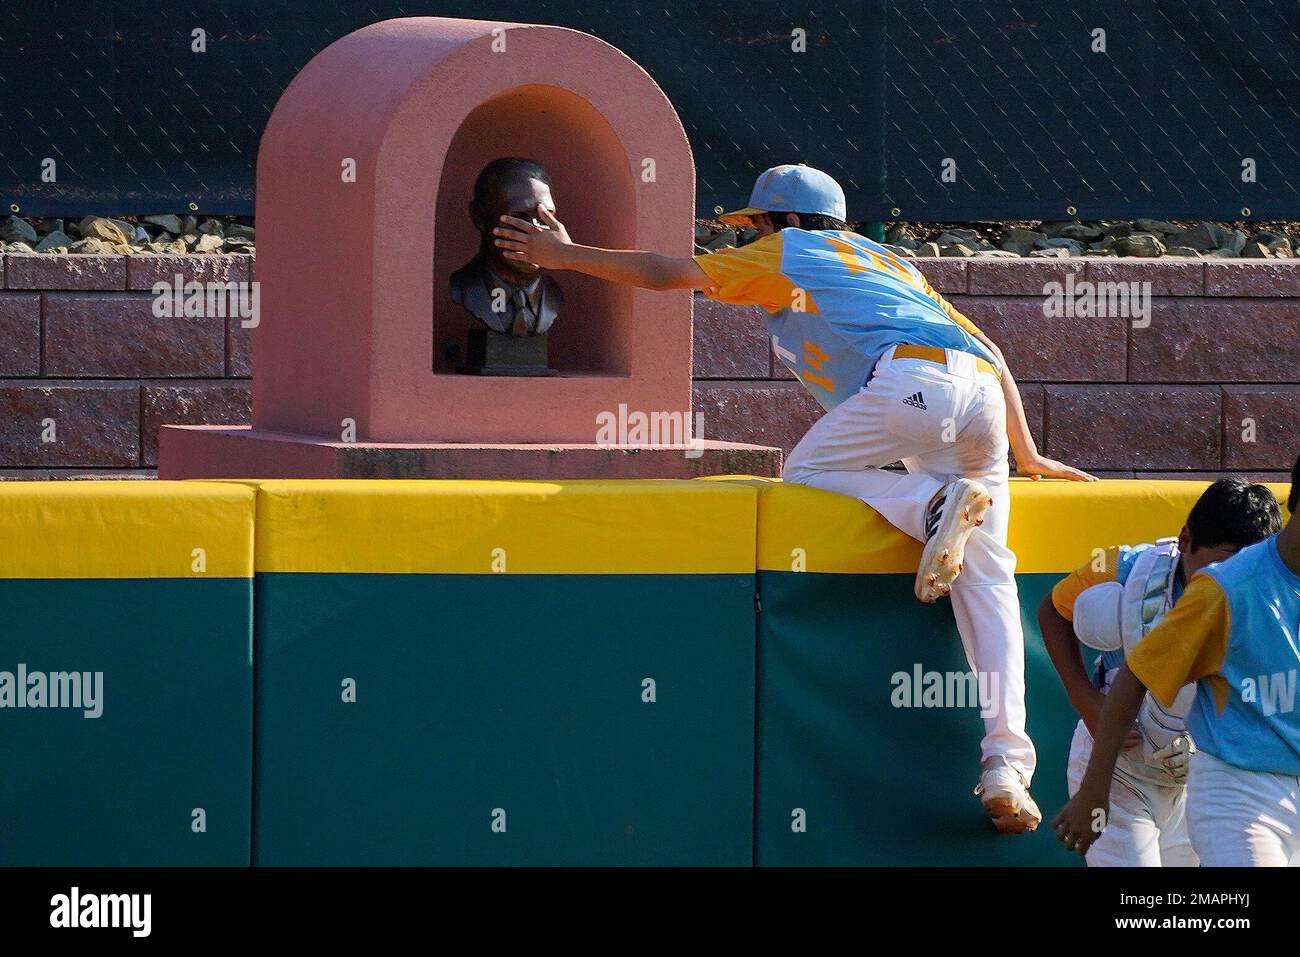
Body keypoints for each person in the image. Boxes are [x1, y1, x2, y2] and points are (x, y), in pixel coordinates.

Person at [494, 163, 1095, 832]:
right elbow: (992, 351)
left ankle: (931, 510)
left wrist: (561, 255)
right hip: (976, 401)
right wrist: (1028, 453)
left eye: (763, 224)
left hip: (913, 388)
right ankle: (1007, 767)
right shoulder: (890, 261)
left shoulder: (794, 251)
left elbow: (666, 274)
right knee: (988, 577)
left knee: (807, 468)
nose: (756, 237)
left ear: (790, 222)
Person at [1054, 453, 1300, 866]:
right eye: (1225, 555)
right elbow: (1055, 612)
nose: (1236, 564)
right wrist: (1085, 701)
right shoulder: (1138, 571)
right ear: (1185, 540)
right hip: (1123, 770)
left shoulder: (1265, 587)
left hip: (1189, 774)